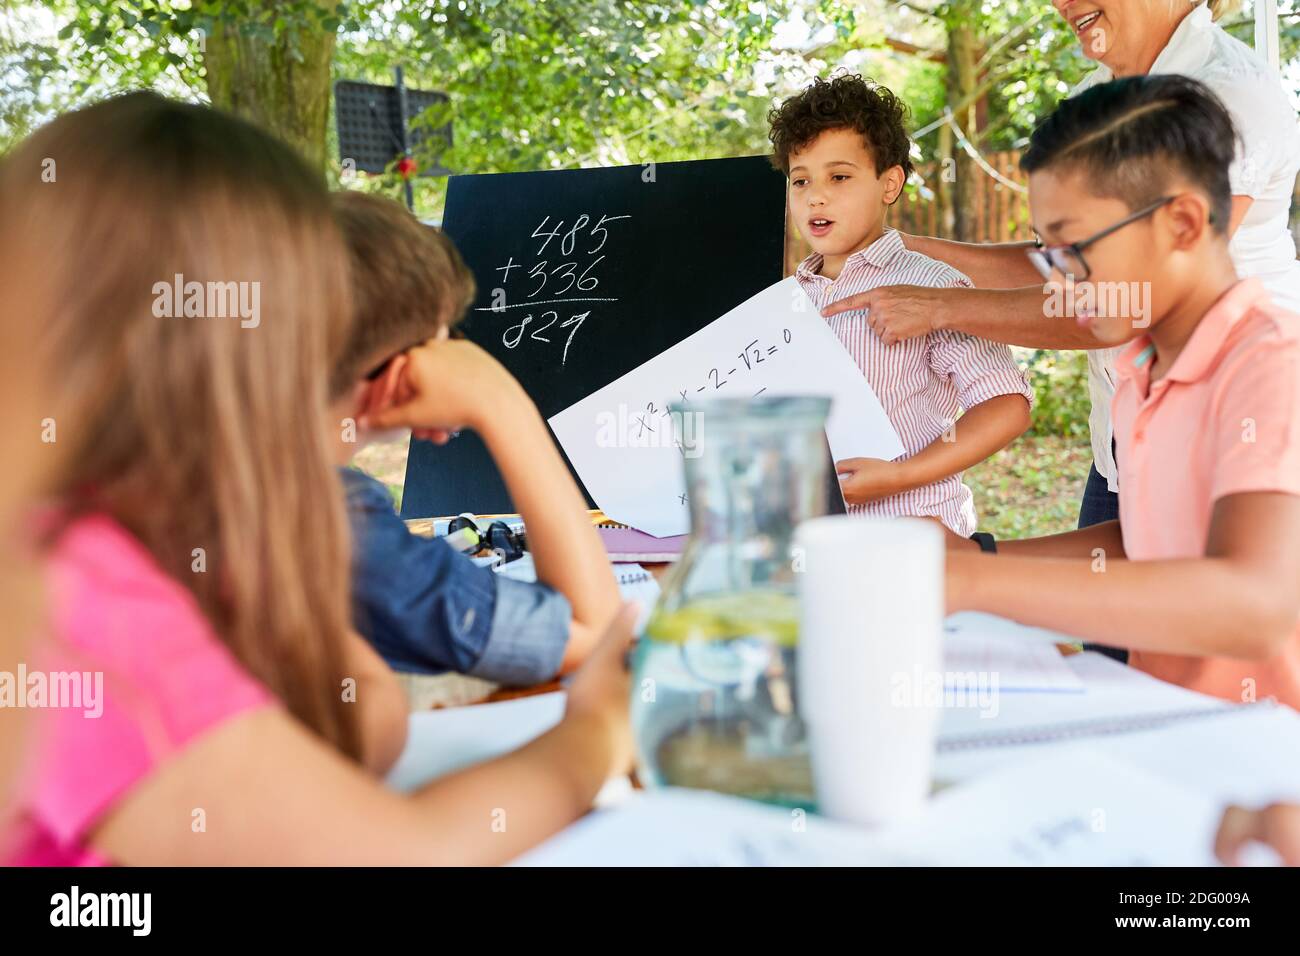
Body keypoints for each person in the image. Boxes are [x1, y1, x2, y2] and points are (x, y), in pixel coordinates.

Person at [3, 92, 634, 867]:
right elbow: (400, 855)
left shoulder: (102, 538)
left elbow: (352, 721)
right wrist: (597, 731)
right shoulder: (91, 604)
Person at [826, 0, 1300, 533]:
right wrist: (903, 250)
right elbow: (1065, 271)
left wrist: (939, 307)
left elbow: (1128, 302)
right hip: (1123, 445)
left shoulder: (1230, 98)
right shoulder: (1091, 99)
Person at [943, 75, 1300, 709]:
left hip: (1267, 762)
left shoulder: (1272, 366)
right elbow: (1145, 543)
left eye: (1074, 249)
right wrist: (983, 554)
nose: (1062, 282)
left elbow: (1257, 602)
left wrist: (974, 583)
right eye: (1047, 255)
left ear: (1183, 222)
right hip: (1172, 728)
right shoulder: (1139, 371)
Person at [330, 191, 619, 686]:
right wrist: (503, 403)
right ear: (406, 365)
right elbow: (592, 634)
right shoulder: (334, 522)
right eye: (443, 339)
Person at [767, 74, 1032, 536]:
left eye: (839, 176)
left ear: (889, 184)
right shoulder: (784, 301)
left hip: (917, 541)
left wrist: (900, 476)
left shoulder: (933, 285)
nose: (816, 195)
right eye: (801, 180)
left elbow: (1007, 405)